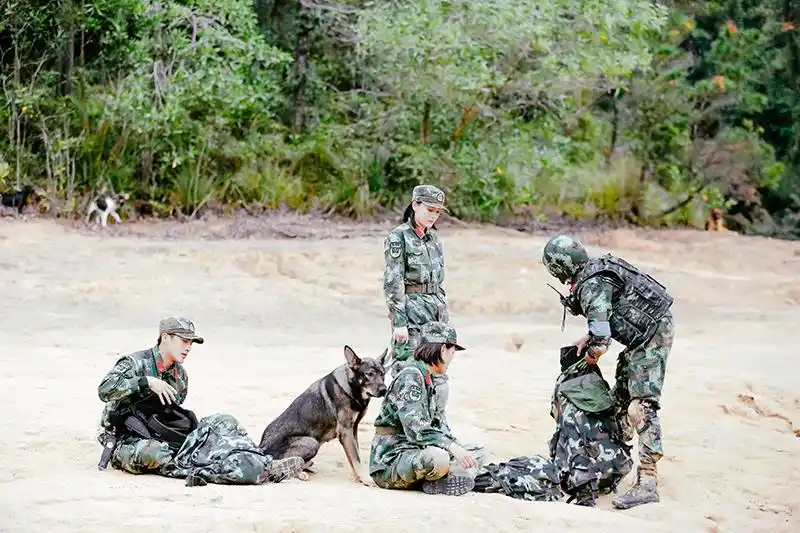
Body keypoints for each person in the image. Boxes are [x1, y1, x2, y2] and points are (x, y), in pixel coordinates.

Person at [541, 235, 675, 510]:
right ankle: (613, 461)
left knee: (641, 407)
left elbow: (602, 342)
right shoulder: (595, 270)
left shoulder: (590, 285)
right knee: (622, 398)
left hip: (651, 337)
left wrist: (589, 359)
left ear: (559, 269)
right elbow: (603, 322)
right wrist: (589, 337)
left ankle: (648, 482)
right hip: (642, 337)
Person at [96, 316, 303, 483]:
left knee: (224, 421)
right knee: (155, 454)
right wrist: (145, 382)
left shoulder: (180, 376)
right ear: (165, 337)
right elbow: (104, 390)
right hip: (127, 439)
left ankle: (263, 462)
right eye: (184, 341)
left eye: (191, 343)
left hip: (164, 434)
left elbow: (172, 414)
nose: (188, 347)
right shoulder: (134, 363)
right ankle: (215, 471)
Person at [369, 321, 487, 496]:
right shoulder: (411, 377)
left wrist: (458, 448)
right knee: (439, 458)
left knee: (476, 452)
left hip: (416, 452)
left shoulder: (427, 378)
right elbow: (417, 431)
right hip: (392, 460)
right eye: (452, 351)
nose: (452, 358)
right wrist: (452, 448)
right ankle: (442, 476)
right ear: (442, 350)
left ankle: (441, 478)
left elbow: (438, 426)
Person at [383, 184, 452, 431]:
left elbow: (439, 283)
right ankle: (401, 429)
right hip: (411, 314)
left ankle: (435, 426)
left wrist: (444, 320)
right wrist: (399, 322)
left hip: (435, 314)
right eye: (429, 209)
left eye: (438, 212)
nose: (433, 215)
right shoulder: (398, 237)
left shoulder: (435, 240)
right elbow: (393, 282)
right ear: (415, 205)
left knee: (437, 371)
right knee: (407, 370)